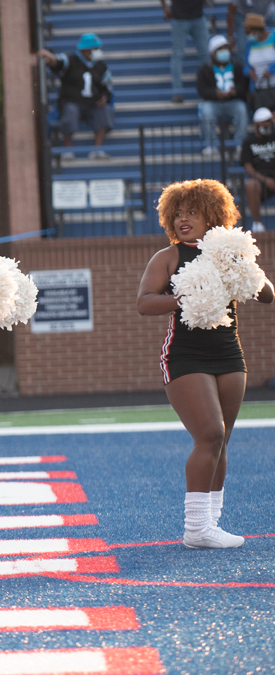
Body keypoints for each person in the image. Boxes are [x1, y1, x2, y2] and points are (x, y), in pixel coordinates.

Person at [136, 179, 273, 548]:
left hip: (229, 352)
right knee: (209, 434)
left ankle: (211, 522)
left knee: (222, 440)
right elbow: (145, 302)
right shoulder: (167, 256)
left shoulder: (226, 251)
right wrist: (181, 298)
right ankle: (195, 527)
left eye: (192, 212)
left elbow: (267, 295)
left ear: (212, 215)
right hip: (184, 354)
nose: (183, 220)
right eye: (178, 213)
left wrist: (242, 264)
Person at [37, 34, 114, 161]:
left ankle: (97, 149)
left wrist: (105, 97)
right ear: (85, 50)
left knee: (105, 112)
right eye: (94, 49)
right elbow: (58, 63)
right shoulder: (71, 60)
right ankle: (68, 151)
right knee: (69, 114)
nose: (97, 52)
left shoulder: (101, 66)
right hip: (72, 101)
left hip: (93, 103)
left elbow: (107, 87)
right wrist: (51, 59)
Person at [197, 35, 251, 156]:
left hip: (233, 100)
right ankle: (211, 144)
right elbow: (202, 89)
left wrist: (235, 91)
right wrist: (215, 93)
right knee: (206, 110)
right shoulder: (205, 69)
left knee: (241, 109)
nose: (224, 52)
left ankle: (240, 143)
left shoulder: (237, 66)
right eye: (220, 49)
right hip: (214, 102)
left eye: (225, 48)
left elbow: (244, 85)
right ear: (213, 53)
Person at [160, 0, 210, 104]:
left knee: (205, 55)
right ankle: (177, 92)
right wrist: (165, 7)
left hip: (197, 16)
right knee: (178, 56)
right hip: (180, 18)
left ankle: (209, 90)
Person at [241, 107, 275, 232]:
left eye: (268, 121)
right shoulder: (249, 143)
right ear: (255, 124)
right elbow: (248, 168)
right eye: (263, 122)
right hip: (262, 180)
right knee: (251, 185)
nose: (266, 125)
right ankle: (257, 223)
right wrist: (266, 180)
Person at [243, 13, 275, 108]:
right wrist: (249, 71)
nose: (247, 35)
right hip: (260, 89)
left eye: (248, 32)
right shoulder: (250, 43)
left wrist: (271, 70)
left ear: (256, 30)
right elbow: (246, 65)